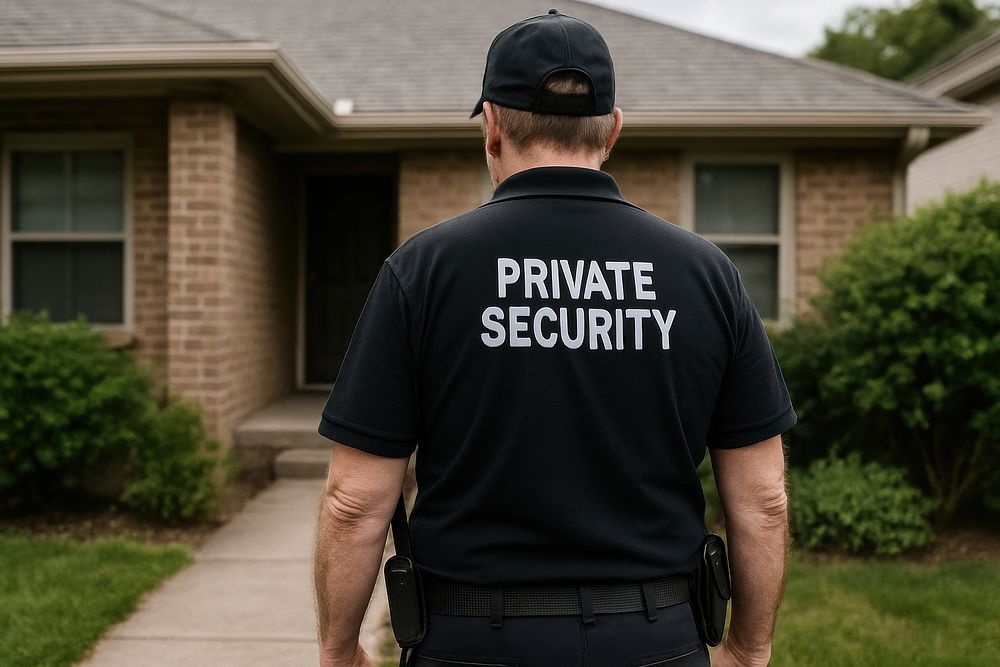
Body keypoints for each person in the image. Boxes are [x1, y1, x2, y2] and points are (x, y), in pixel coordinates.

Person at [313, 9, 795, 667]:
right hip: (654, 639)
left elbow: (353, 501)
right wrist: (750, 644)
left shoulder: (422, 272)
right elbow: (763, 499)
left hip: (472, 642)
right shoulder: (706, 274)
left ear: (491, 125)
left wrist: (339, 649)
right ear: (612, 128)